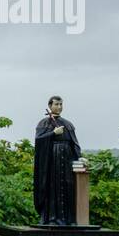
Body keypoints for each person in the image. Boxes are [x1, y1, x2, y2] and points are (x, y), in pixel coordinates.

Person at [33, 95, 81, 226]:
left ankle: (69, 219)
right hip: (51, 161)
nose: (59, 107)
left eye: (61, 104)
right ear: (50, 106)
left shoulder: (68, 124)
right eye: (56, 104)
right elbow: (39, 141)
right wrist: (53, 133)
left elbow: (74, 144)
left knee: (68, 187)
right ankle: (52, 219)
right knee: (52, 188)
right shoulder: (43, 123)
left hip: (67, 160)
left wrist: (80, 157)